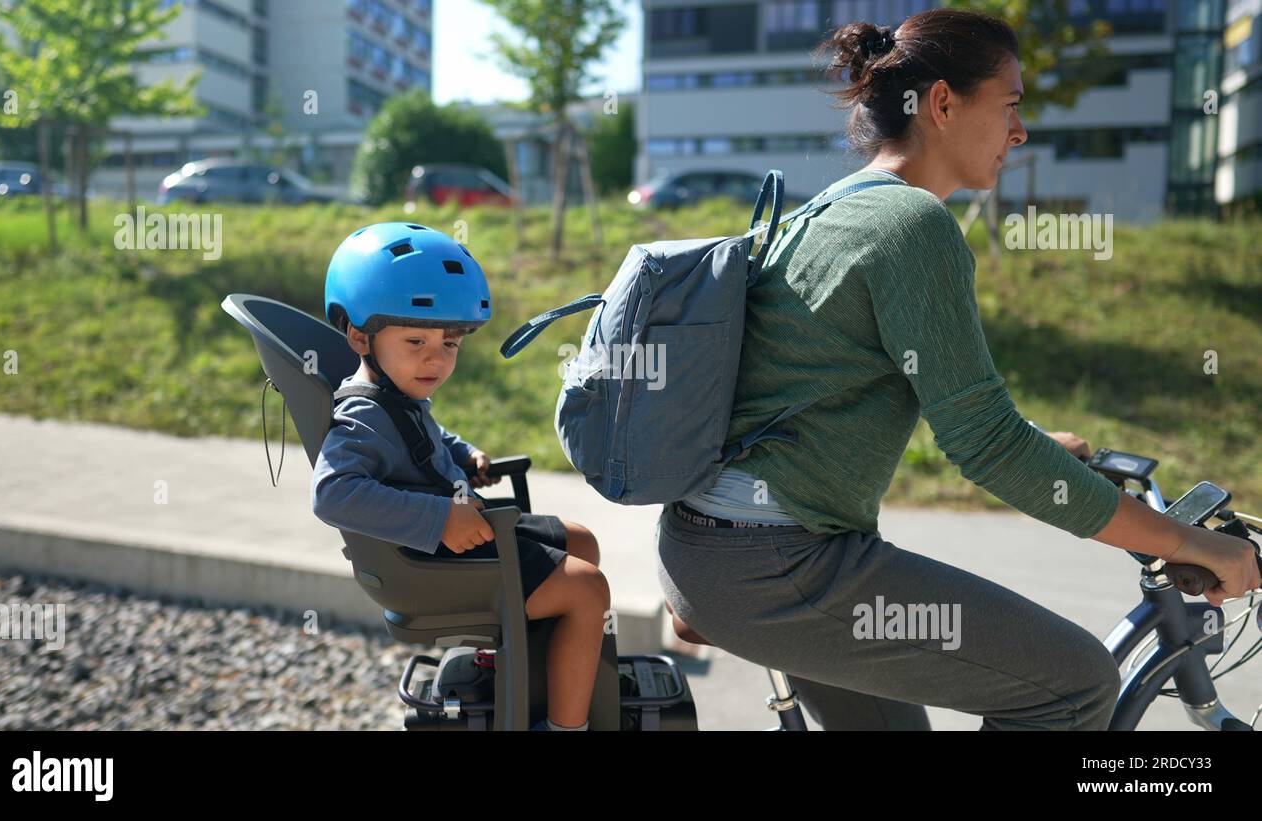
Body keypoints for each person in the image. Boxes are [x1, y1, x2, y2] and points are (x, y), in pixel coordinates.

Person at [656, 8, 1261, 730]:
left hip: (702, 550)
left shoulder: (825, 212)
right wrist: (1192, 542)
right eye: (1009, 106)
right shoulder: (915, 226)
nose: (1020, 132)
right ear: (942, 104)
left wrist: (1034, 442)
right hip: (782, 568)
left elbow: (852, 389)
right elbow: (987, 447)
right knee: (1074, 683)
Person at [311, 222, 610, 731]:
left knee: (581, 543)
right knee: (589, 590)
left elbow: (426, 438)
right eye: (415, 340)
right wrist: (439, 517)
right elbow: (332, 494)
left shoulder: (394, 396)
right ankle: (565, 727)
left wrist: (465, 455)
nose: (435, 358)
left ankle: (513, 665)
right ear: (359, 335)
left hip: (458, 538)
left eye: (450, 344)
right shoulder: (362, 416)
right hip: (433, 558)